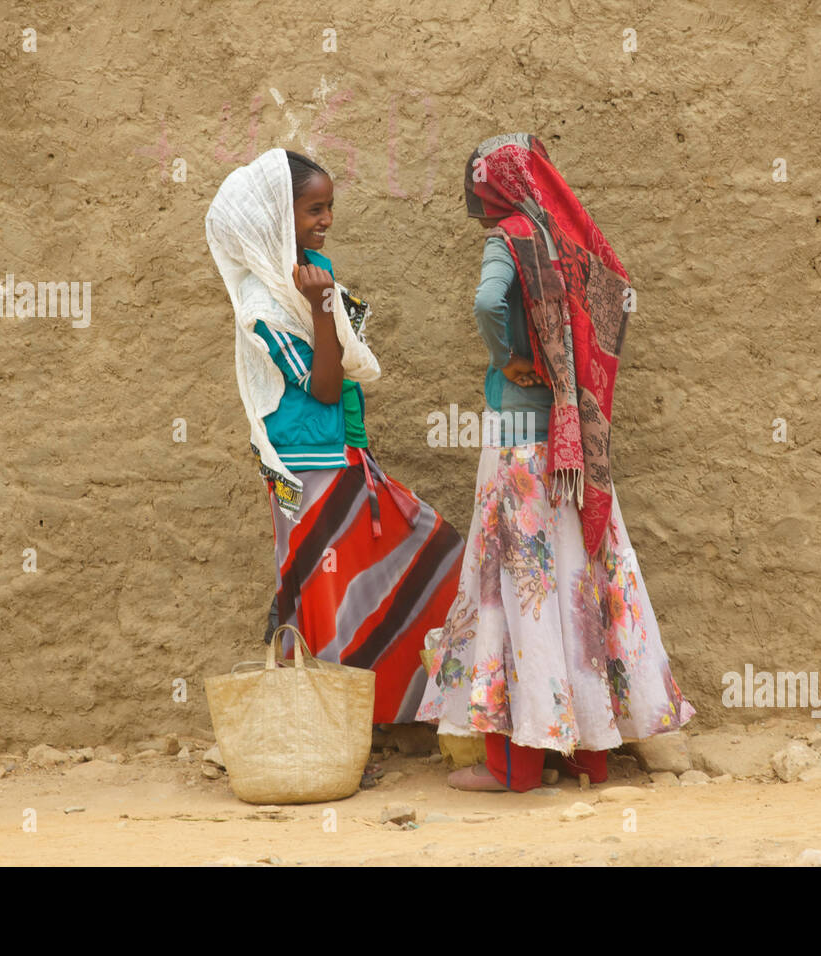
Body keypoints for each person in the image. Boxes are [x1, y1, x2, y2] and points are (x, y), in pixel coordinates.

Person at [415, 133, 696, 791]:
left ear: (491, 188)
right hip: (574, 444)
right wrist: (563, 375)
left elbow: (488, 302)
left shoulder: (508, 240)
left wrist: (509, 355)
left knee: (515, 589)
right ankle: (588, 757)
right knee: (577, 582)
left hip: (518, 437)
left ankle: (512, 769)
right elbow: (613, 303)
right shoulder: (562, 244)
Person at [206, 147, 464, 723]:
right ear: (279, 216)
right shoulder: (265, 301)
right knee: (321, 601)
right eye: (314, 209)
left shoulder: (301, 279)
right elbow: (323, 386)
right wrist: (323, 309)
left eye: (329, 208)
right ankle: (326, 731)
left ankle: (385, 714)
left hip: (340, 455)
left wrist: (323, 301)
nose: (326, 221)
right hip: (305, 466)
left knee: (430, 558)